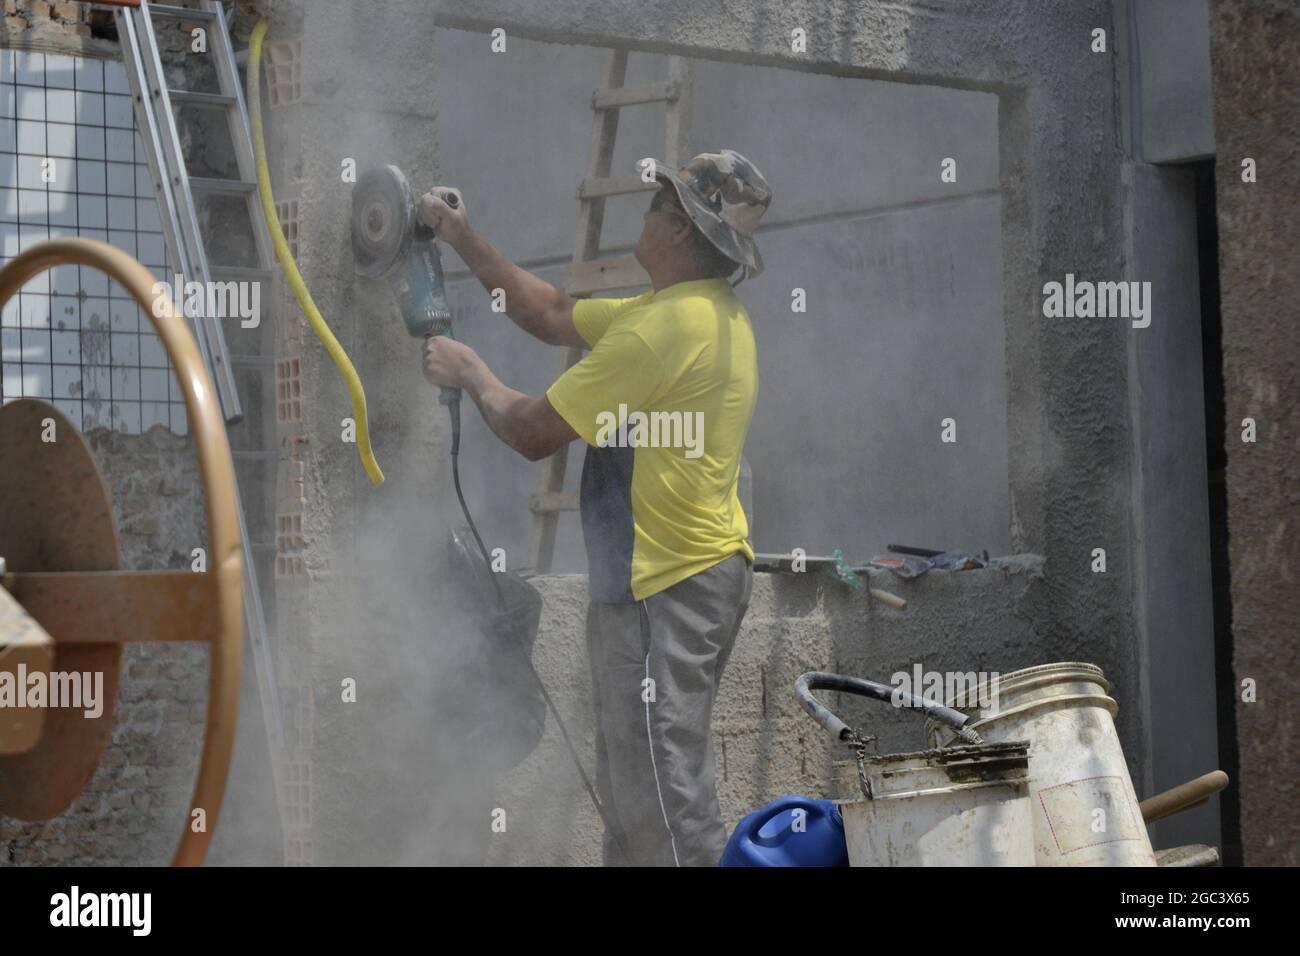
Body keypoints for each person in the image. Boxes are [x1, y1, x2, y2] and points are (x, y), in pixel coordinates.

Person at [418, 150, 772, 866]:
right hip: (670, 583)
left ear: (679, 232)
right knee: (635, 801)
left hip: (666, 588)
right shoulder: (693, 310)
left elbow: (532, 432)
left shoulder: (665, 330)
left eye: (655, 206)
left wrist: (471, 373)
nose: (641, 215)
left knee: (668, 809)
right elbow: (547, 312)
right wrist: (461, 237)